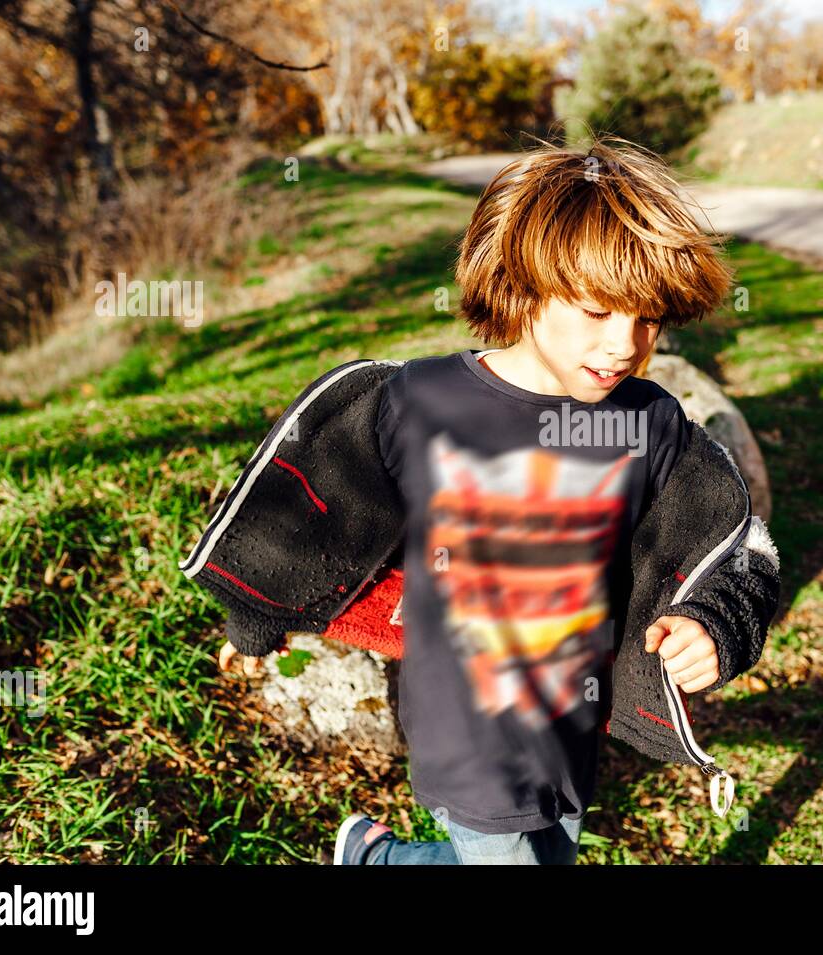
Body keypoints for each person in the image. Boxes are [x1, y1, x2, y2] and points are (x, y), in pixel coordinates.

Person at [185, 135, 781, 865]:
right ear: (523, 284)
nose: (626, 344)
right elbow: (320, 510)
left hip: (571, 719)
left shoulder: (647, 422)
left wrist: (711, 621)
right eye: (597, 312)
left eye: (647, 318)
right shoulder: (419, 404)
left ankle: (374, 857)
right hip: (465, 725)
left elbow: (722, 536)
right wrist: (258, 614)